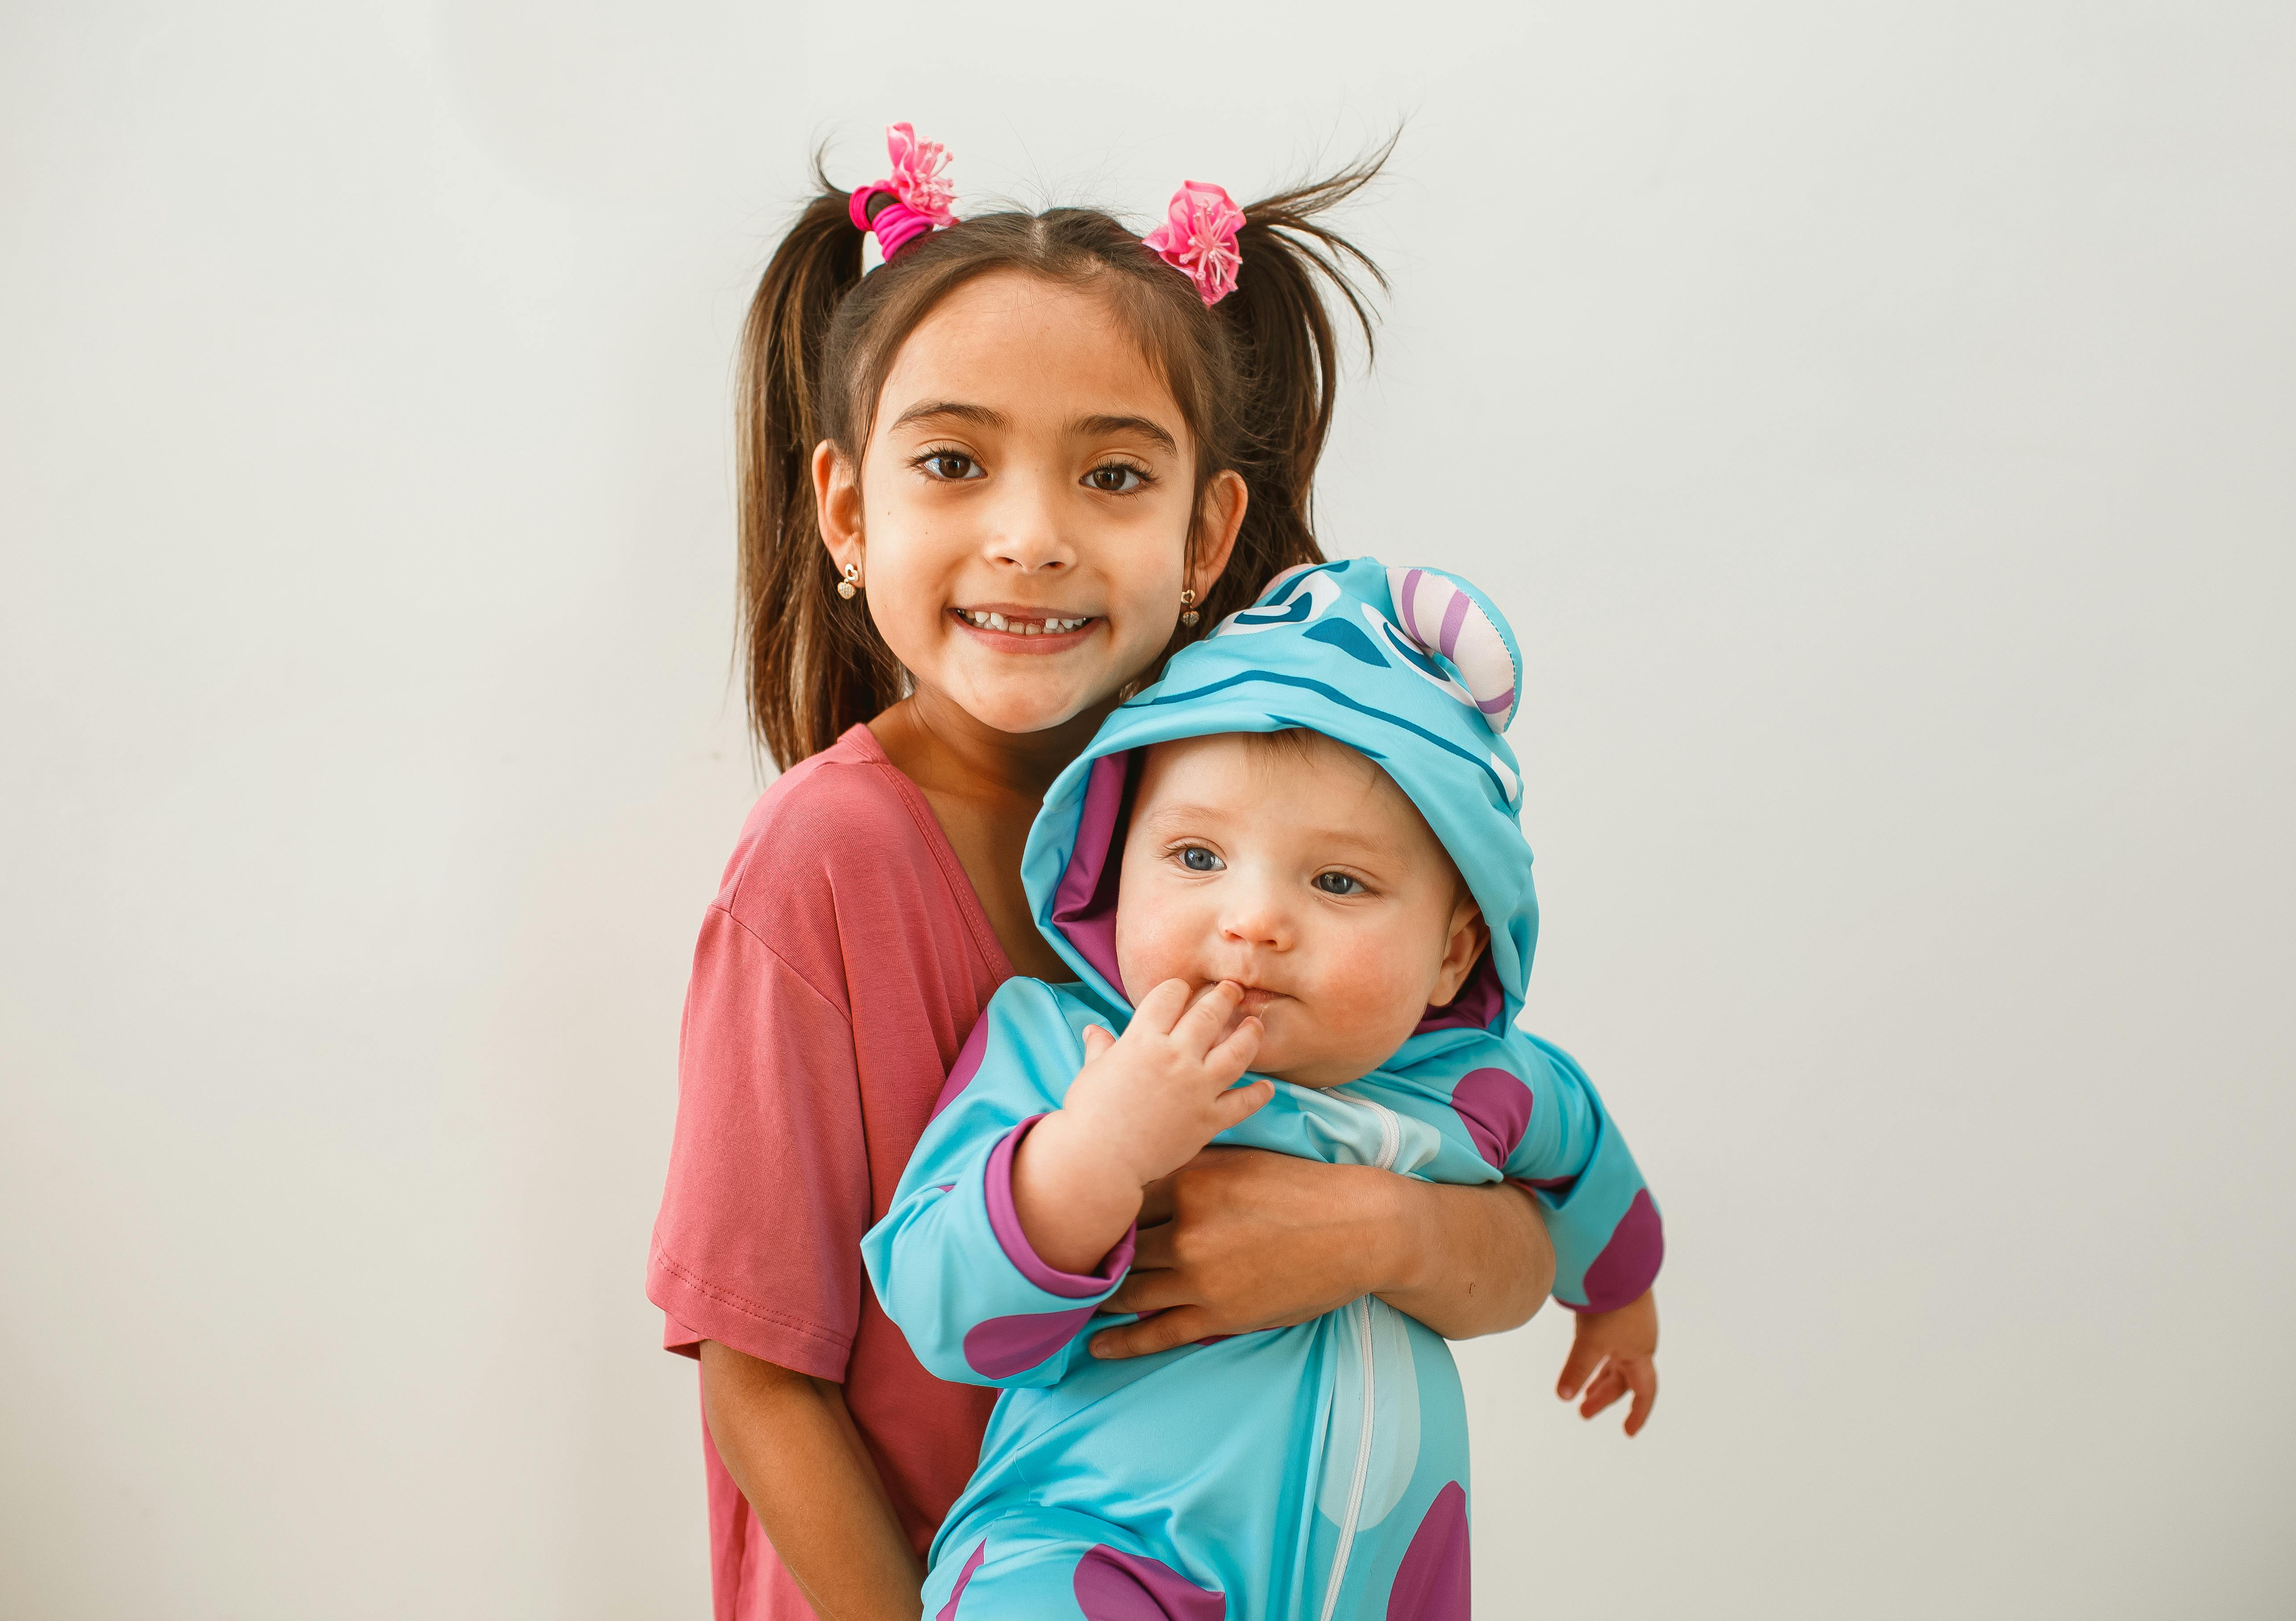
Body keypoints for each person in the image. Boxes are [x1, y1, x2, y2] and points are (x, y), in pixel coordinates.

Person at [647, 125, 1566, 1621]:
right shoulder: (822, 866)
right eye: (953, 461)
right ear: (848, 512)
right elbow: (760, 1381)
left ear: (1206, 531)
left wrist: (1380, 1230)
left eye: (1113, 474)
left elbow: (1520, 1224)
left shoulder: (1285, 820)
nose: (1032, 536)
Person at [864, 558, 1663, 1619]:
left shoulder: (1487, 1087)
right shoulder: (1066, 1046)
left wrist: (1620, 1301)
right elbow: (938, 1309)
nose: (1253, 922)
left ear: (1452, 951)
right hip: (1098, 1551)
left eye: (1336, 882)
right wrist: (1096, 1147)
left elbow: (1585, 1158)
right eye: (1196, 856)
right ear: (1114, 865)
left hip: (1384, 1584)